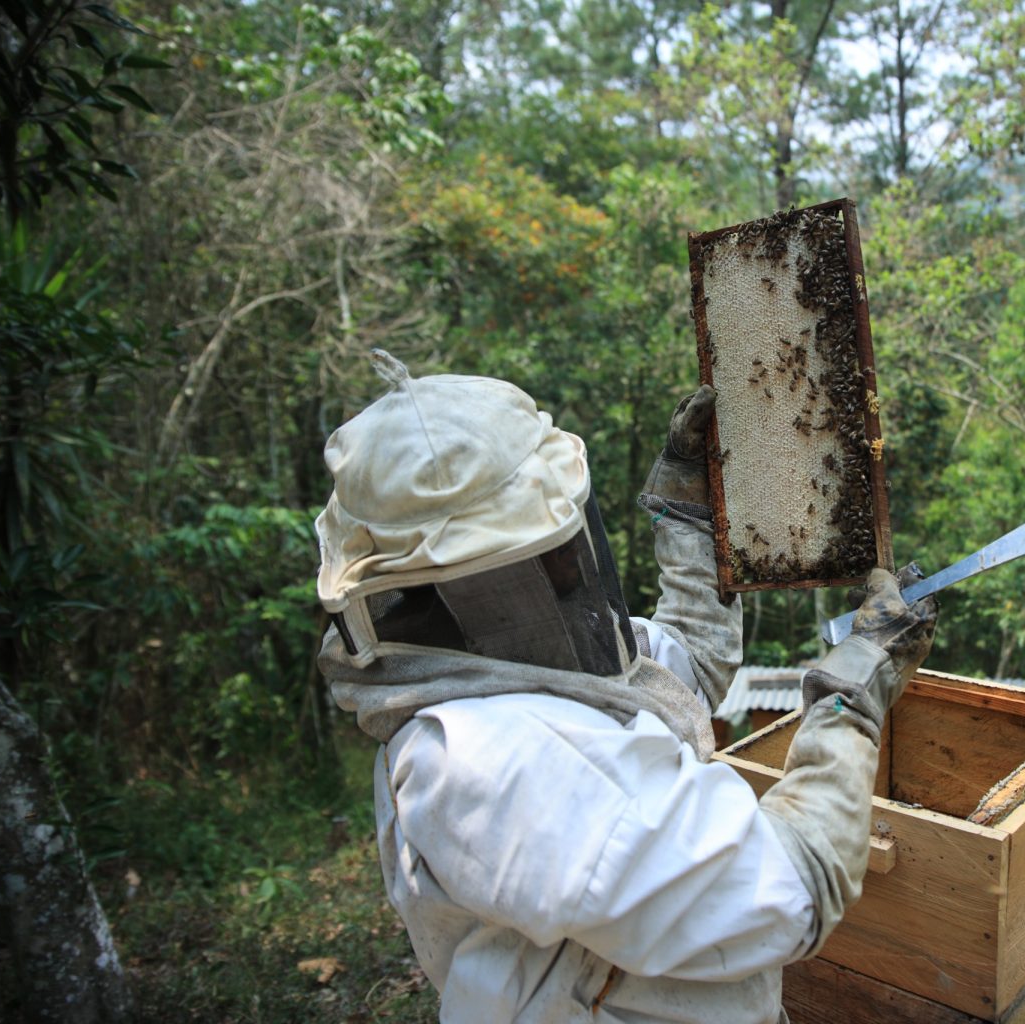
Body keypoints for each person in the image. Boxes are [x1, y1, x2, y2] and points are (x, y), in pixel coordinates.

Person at [315, 351, 937, 1023]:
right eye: (545, 546)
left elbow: (683, 669)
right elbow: (786, 891)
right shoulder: (485, 765)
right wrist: (851, 696)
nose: (566, 562)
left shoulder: (530, 667)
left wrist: (689, 511)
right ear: (483, 580)